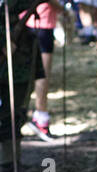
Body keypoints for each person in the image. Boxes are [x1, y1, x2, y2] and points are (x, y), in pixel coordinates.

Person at [19, 3, 59, 140]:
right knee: (42, 73)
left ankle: (33, 117)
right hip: (40, 22)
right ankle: (40, 118)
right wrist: (63, 9)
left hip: (29, 21)